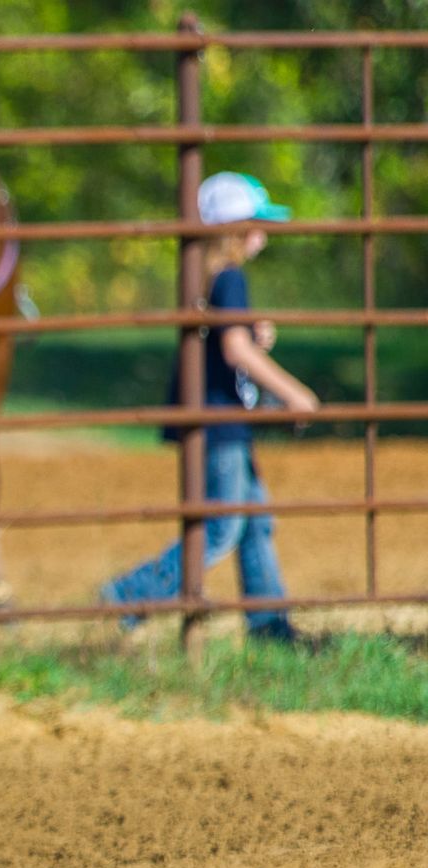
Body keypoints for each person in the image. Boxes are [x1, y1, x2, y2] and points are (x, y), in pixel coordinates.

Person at [101, 172, 318, 644]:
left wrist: (250, 331)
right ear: (233, 228)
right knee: (221, 527)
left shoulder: (205, 277)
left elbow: (228, 337)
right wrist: (293, 392)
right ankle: (127, 595)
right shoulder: (231, 277)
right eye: (257, 224)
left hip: (219, 417)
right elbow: (235, 349)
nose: (264, 235)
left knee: (255, 521)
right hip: (221, 421)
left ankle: (270, 627)